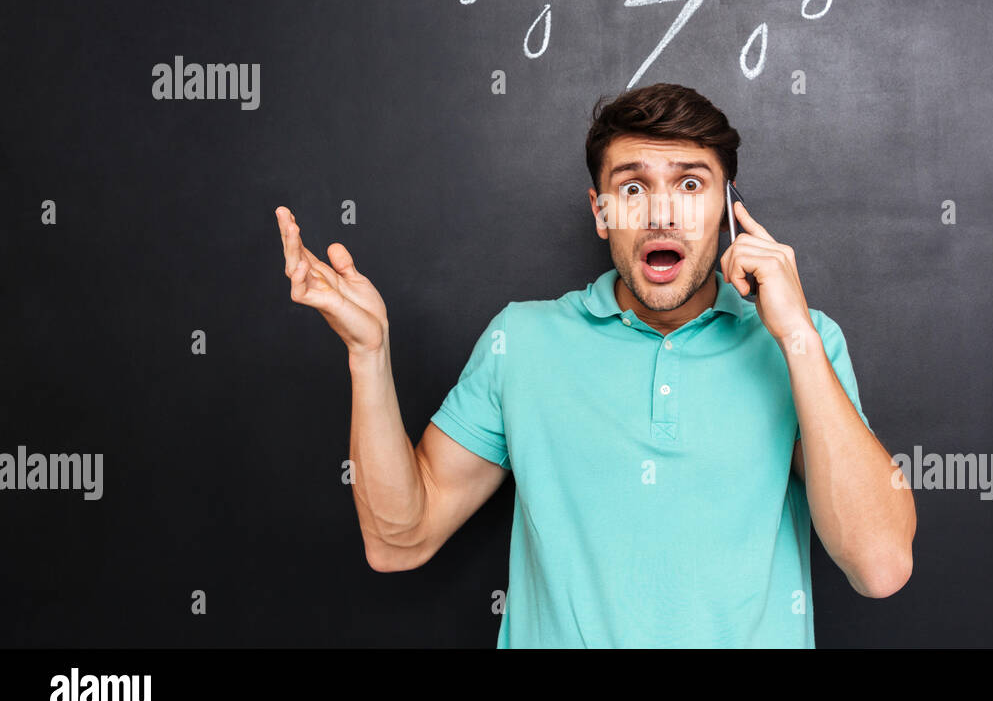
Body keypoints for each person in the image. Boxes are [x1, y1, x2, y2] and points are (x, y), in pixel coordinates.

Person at [274, 82, 915, 647]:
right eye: (632, 187)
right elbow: (397, 541)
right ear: (600, 212)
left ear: (728, 210)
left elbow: (880, 565)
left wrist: (796, 334)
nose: (661, 212)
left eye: (691, 185)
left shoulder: (803, 344)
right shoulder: (520, 342)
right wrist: (368, 353)